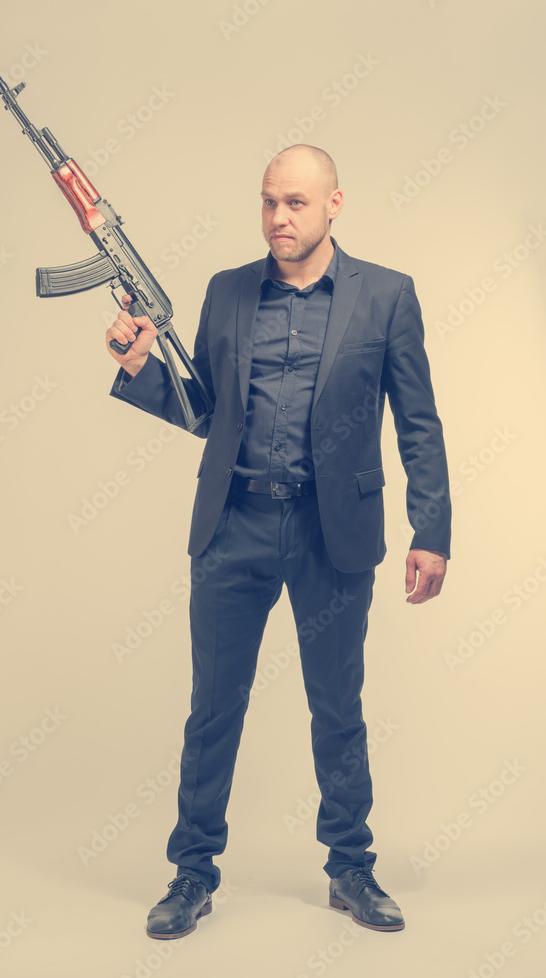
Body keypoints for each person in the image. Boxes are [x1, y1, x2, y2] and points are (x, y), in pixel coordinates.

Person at [105, 144, 451, 937]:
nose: (277, 218)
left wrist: (429, 529)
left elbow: (419, 423)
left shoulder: (386, 296)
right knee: (212, 708)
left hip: (334, 533)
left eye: (294, 203)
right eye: (267, 202)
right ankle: (191, 876)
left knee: (337, 707)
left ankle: (350, 869)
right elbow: (204, 414)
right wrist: (136, 367)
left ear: (334, 204)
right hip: (234, 526)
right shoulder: (227, 291)